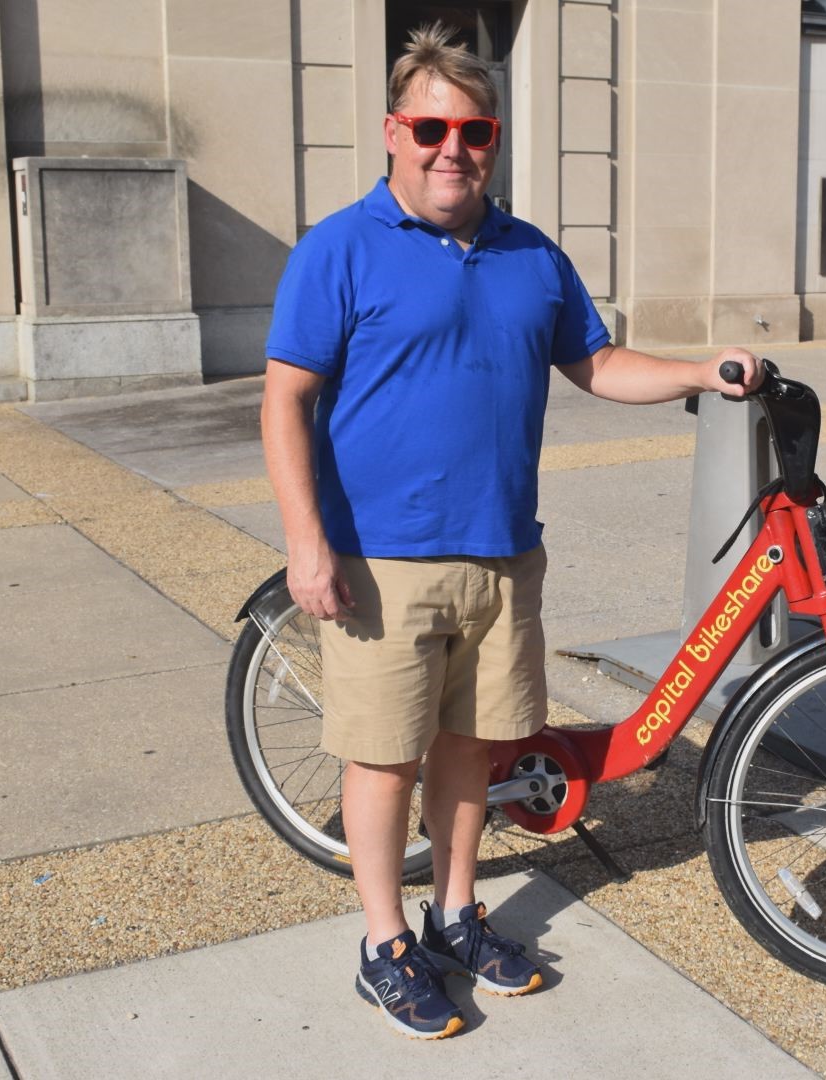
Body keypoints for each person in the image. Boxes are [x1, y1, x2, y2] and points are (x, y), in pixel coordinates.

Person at [260, 25, 759, 1040]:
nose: (454, 148)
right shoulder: (339, 250)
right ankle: (383, 941)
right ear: (395, 132)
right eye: (432, 127)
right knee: (384, 761)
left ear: (493, 139)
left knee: (469, 752)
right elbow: (284, 400)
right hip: (382, 563)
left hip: (502, 557)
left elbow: (599, 365)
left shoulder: (532, 254)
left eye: (473, 129)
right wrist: (306, 543)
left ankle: (454, 915)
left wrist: (703, 372)